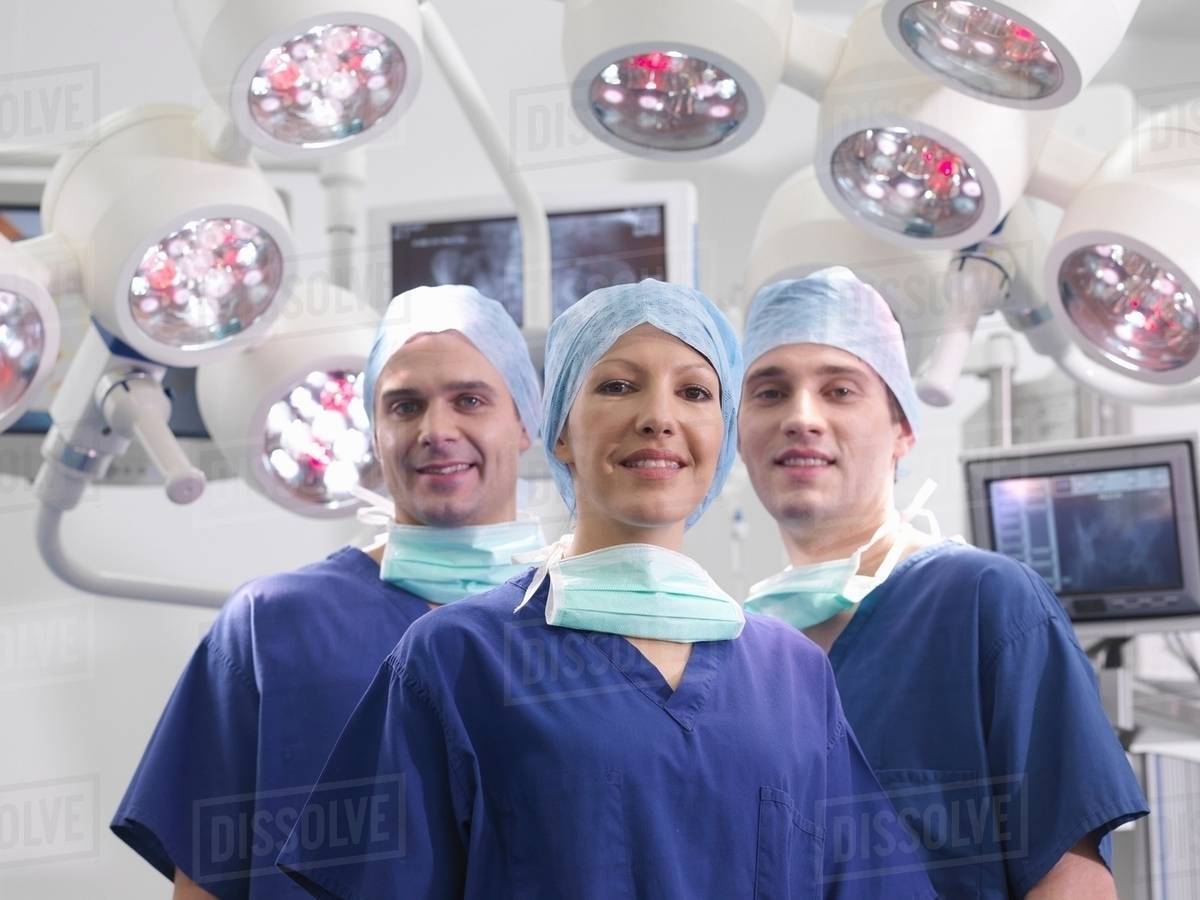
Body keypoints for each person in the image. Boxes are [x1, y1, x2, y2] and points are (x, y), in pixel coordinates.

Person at [275, 279, 937, 899]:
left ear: (724, 433)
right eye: (618, 386)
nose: (659, 417)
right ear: (559, 430)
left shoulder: (792, 673)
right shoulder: (455, 658)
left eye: (696, 393)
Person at [111, 285, 545, 899]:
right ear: (374, 431)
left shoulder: (576, 628)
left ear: (526, 421)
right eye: (404, 406)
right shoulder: (270, 628)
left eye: (470, 400)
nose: (436, 429)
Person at [737, 266, 1149, 899]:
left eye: (840, 390)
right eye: (769, 392)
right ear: (738, 433)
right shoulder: (735, 653)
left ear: (903, 430)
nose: (802, 417)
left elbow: (1074, 882)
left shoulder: (984, 603)